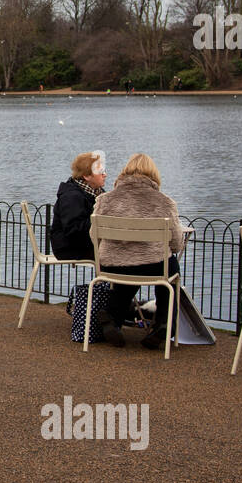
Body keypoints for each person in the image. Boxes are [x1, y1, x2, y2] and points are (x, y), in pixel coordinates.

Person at [91, 153, 185, 350]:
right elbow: (176, 244)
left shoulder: (104, 199)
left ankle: (112, 317)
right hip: (153, 267)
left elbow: (94, 236)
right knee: (169, 269)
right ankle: (163, 323)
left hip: (112, 267)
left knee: (129, 269)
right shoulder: (165, 202)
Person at [50, 150, 106, 262]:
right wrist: (100, 219)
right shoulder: (71, 196)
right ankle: (108, 278)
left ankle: (108, 278)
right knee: (118, 252)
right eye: (100, 172)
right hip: (68, 247)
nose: (105, 174)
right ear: (86, 176)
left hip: (86, 243)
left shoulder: (96, 192)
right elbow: (73, 231)